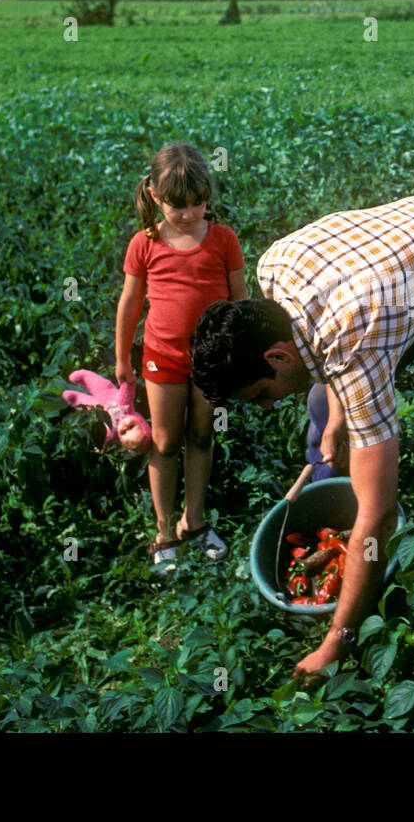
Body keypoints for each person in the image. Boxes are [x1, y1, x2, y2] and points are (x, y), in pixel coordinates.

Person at [191, 195, 414, 676]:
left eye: (260, 395)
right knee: (321, 402)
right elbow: (327, 340)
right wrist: (337, 410)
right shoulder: (274, 268)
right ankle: (337, 526)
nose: (270, 406)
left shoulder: (357, 341)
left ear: (276, 357)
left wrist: (337, 644)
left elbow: (378, 516)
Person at [115, 143, 248, 572]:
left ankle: (195, 521)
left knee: (203, 436)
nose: (189, 214)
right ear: (155, 196)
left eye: (197, 203)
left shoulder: (224, 240)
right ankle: (163, 531)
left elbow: (239, 302)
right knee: (165, 441)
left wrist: (240, 353)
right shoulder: (145, 243)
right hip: (162, 359)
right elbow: (130, 304)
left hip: (209, 363)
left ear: (207, 197)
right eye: (177, 205)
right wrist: (122, 358)